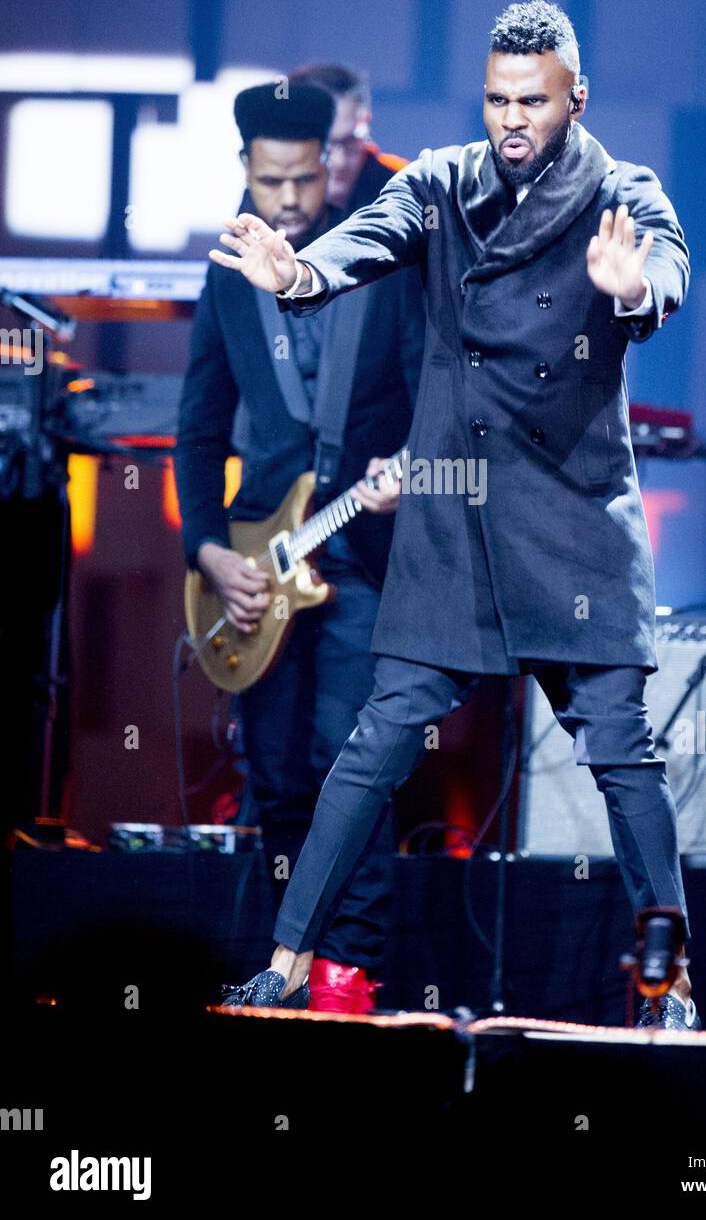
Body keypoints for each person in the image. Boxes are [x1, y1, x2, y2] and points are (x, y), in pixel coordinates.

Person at [211, 0, 698, 1030]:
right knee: (375, 738)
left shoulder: (618, 192)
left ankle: (669, 966)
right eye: (495, 98)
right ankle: (288, 960)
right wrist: (301, 273)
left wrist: (631, 287)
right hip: (452, 519)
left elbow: (663, 266)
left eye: (531, 99)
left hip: (570, 524)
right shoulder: (439, 185)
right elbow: (365, 239)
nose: (510, 117)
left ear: (574, 97)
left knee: (617, 748)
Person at [175, 80, 424, 1013]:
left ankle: (346, 975)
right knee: (277, 772)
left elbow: (436, 395)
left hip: (360, 550)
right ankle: (283, 968)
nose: (285, 199)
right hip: (257, 560)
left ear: (329, 166)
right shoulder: (225, 272)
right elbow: (199, 433)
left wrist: (415, 474)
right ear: (246, 170)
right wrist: (208, 551)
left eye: (300, 178)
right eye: (268, 179)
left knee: (346, 759)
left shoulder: (381, 258)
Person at [287, 61, 405, 210]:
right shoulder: (258, 201)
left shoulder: (404, 188)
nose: (339, 162)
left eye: (350, 143)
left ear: (366, 120)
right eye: (324, 146)